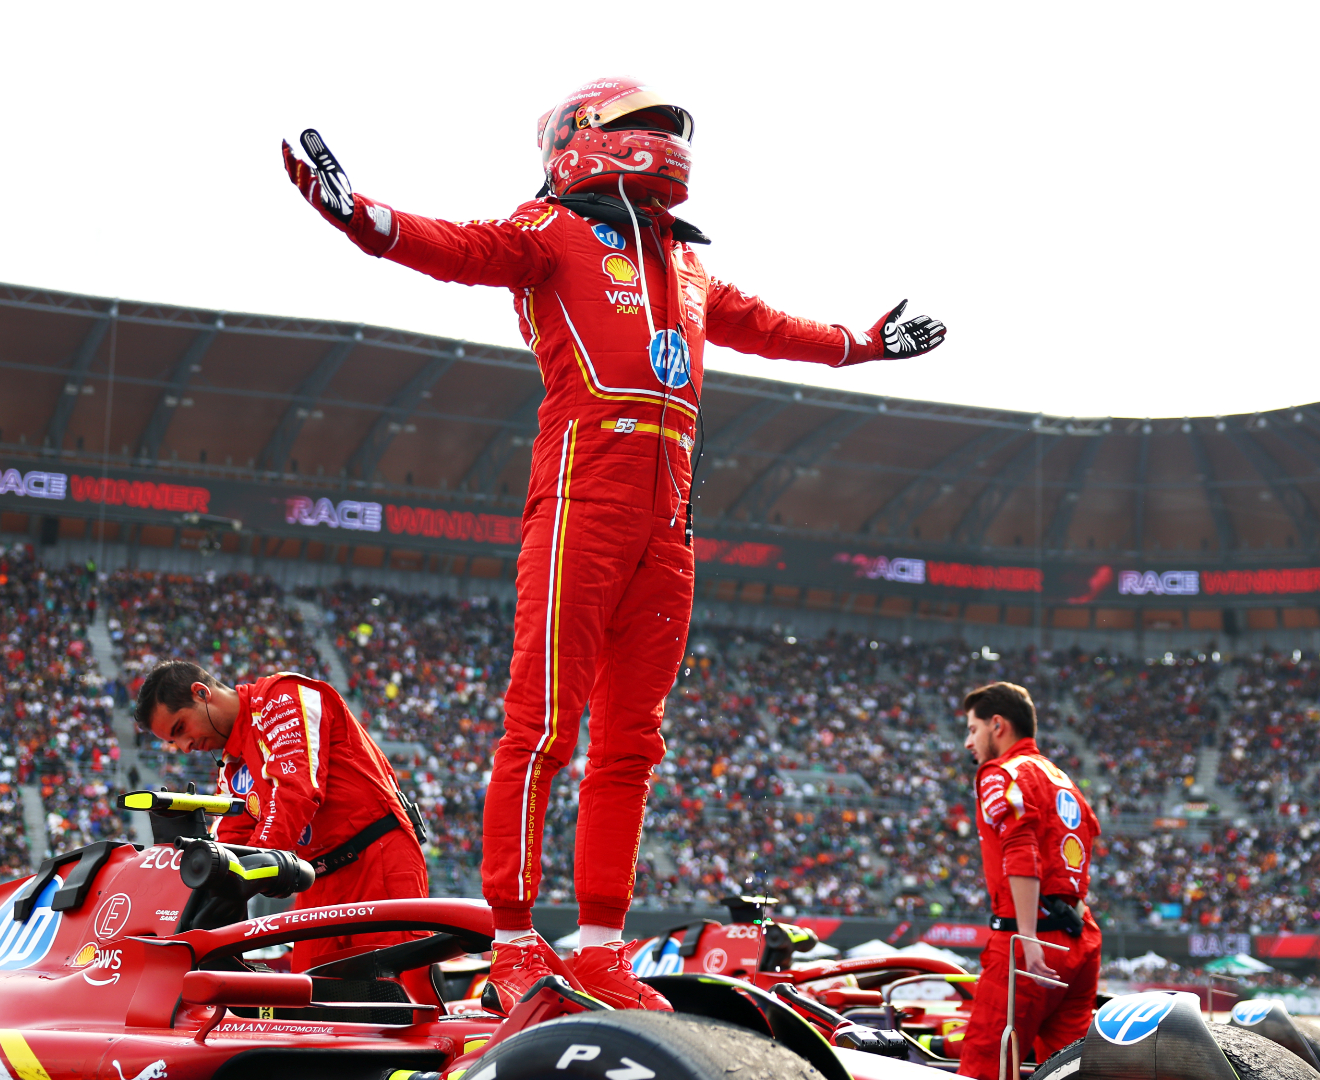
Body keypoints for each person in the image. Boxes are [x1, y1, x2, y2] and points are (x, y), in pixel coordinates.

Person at [280, 78, 947, 1012]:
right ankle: (514, 944)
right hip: (583, 495)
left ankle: (600, 951)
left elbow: (771, 327)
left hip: (668, 519)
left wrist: (863, 343)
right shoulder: (549, 229)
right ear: (576, 140)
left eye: (665, 129)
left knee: (632, 742)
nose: (660, 140)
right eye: (640, 126)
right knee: (542, 728)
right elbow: (461, 250)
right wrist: (363, 217)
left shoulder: (689, 264)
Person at [138, 661, 427, 969]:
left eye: (180, 728)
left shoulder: (281, 697)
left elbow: (295, 790)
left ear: (201, 693)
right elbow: (229, 838)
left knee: (403, 996)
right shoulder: (234, 762)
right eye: (173, 742)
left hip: (374, 858)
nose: (185, 747)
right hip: (317, 882)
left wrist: (253, 867)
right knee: (309, 1006)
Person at [955, 683, 1102, 1078]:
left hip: (1030, 942)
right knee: (1070, 1069)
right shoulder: (1064, 780)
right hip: (1080, 937)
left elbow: (1021, 851)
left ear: (997, 725)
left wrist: (1028, 937)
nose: (968, 741)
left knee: (986, 1064)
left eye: (972, 729)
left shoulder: (998, 774)